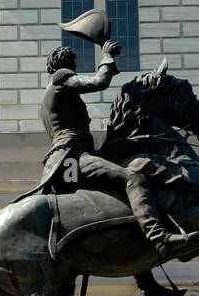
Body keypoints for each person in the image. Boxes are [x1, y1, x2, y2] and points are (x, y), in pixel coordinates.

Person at [25, 39, 189, 261]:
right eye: (73, 62)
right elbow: (98, 82)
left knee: (119, 202)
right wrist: (107, 56)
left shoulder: (49, 98)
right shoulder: (61, 79)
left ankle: (146, 281)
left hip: (69, 158)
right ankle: (160, 239)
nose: (74, 68)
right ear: (64, 64)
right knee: (132, 180)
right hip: (72, 157)